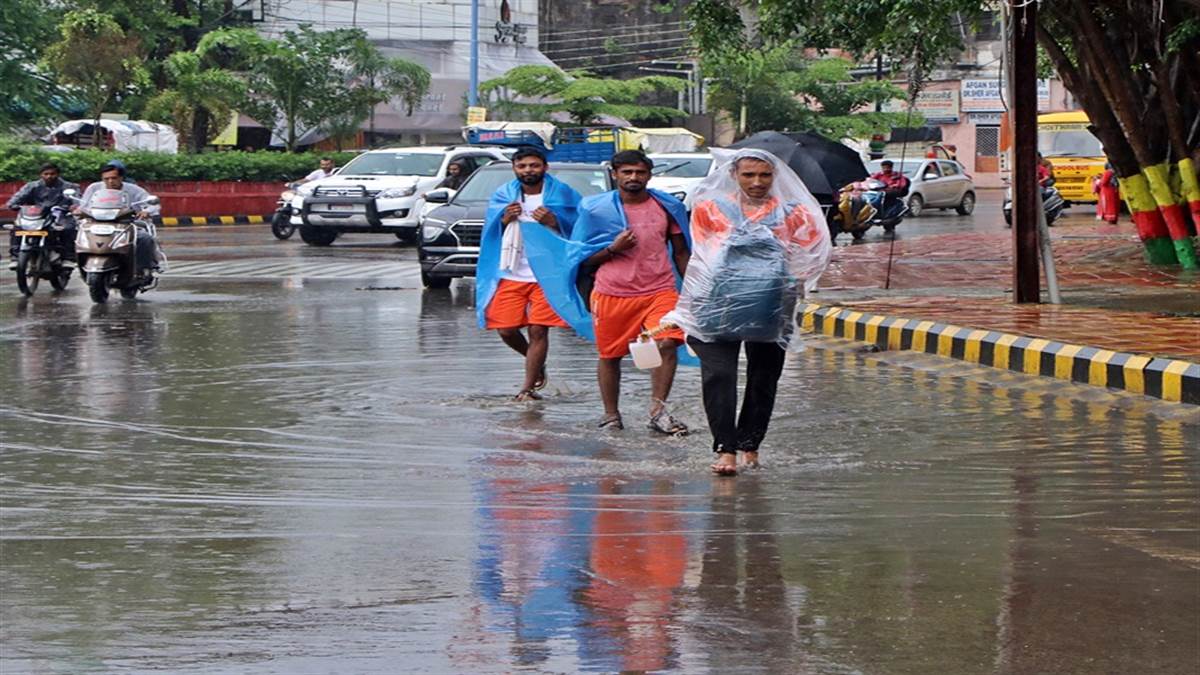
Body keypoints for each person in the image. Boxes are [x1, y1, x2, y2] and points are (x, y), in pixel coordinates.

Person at [664, 149, 831, 476]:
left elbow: (810, 253)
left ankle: (750, 444)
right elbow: (703, 257)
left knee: (764, 377)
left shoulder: (793, 213)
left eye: (765, 175)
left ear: (775, 177)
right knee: (719, 376)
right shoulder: (710, 209)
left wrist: (793, 279)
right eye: (749, 175)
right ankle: (725, 448)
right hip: (718, 303)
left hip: (772, 304)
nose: (757, 182)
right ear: (733, 176)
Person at [576, 150, 691, 433]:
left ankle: (658, 411)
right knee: (610, 355)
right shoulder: (595, 210)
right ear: (614, 175)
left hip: (660, 289)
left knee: (666, 342)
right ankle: (611, 415)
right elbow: (580, 258)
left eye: (640, 172)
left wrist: (692, 289)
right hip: (611, 292)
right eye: (626, 172)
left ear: (649, 175)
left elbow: (681, 252)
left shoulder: (668, 207)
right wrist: (614, 249)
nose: (633, 178)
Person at [475, 147, 583, 401]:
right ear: (514, 168)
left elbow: (580, 229)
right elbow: (491, 233)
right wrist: (503, 220)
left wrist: (554, 222)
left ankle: (527, 387)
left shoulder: (564, 194)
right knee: (506, 329)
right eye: (522, 166)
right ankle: (536, 364)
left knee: (538, 330)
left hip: (549, 274)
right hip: (513, 271)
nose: (528, 171)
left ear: (545, 167)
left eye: (534, 165)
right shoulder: (504, 195)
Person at [76, 161, 161, 273]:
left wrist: (146, 211)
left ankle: (143, 268)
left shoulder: (134, 189)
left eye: (114, 178)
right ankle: (80, 264)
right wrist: (79, 211)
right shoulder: (94, 188)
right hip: (98, 223)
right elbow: (84, 205)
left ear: (121, 178)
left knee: (144, 238)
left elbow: (151, 204)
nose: (110, 181)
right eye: (106, 179)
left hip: (127, 224)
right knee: (79, 236)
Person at [6, 162, 78, 269]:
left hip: (60, 215)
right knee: (17, 228)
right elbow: (17, 198)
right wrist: (13, 204)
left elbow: (77, 201)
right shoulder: (32, 186)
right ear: (41, 175)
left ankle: (68, 258)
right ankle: (15, 257)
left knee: (67, 228)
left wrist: (73, 207)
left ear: (58, 174)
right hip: (36, 216)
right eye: (46, 174)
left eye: (52, 174)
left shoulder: (69, 187)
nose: (49, 176)